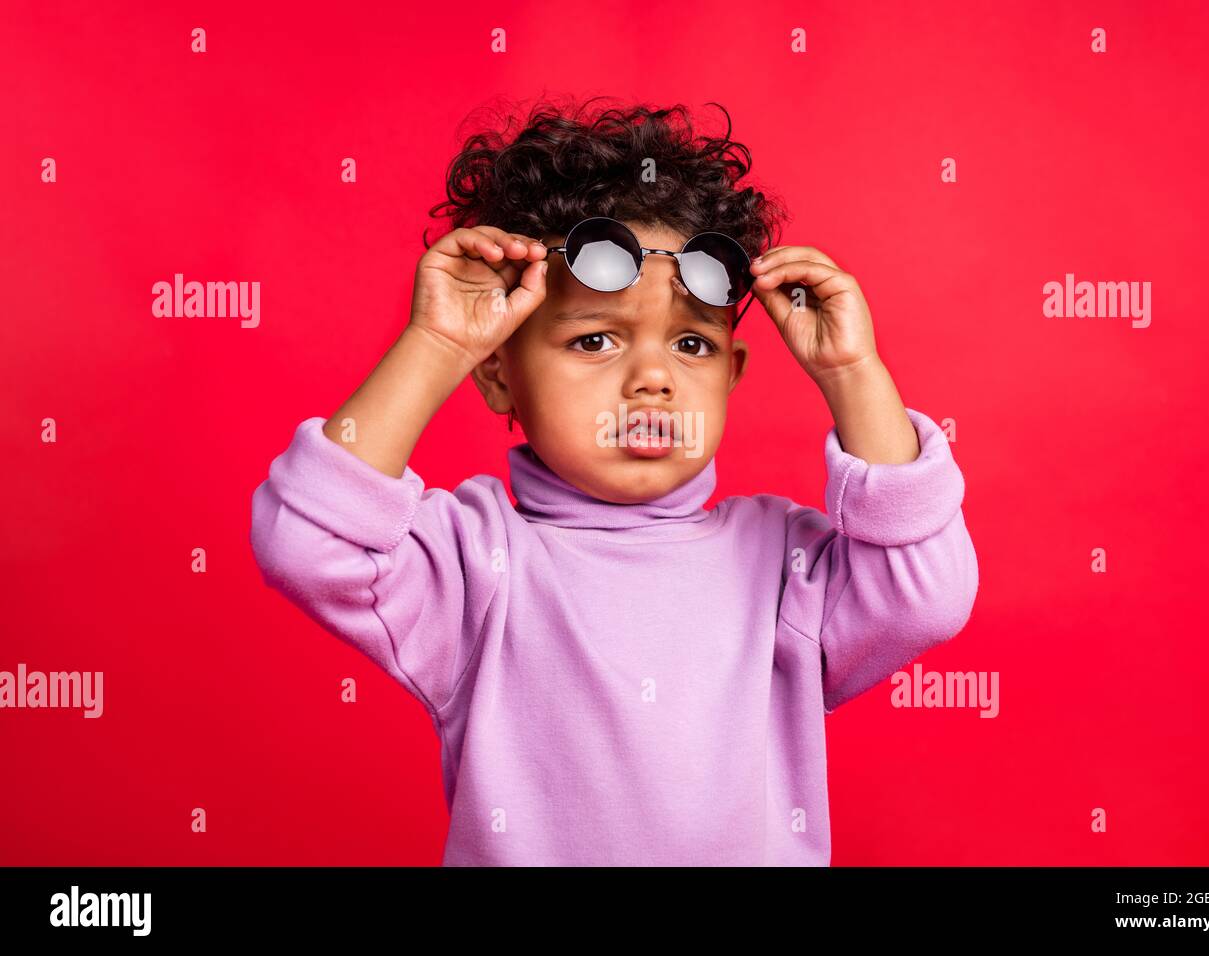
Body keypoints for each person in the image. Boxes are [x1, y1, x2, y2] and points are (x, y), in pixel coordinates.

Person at [249, 96, 978, 865]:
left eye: (692, 345)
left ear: (731, 376)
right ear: (497, 375)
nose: (654, 377)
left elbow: (926, 591)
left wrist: (850, 372)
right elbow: (307, 542)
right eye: (595, 337)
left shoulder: (781, 566)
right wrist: (435, 344)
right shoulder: (471, 563)